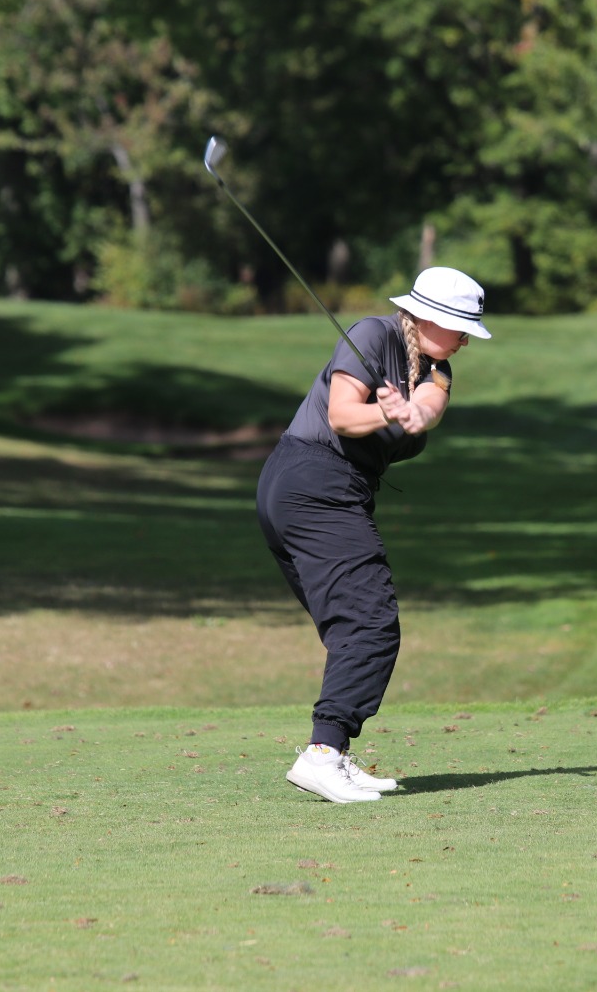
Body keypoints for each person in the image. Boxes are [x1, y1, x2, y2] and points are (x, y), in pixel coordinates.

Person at [256, 266, 492, 803]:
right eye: (461, 329)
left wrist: (411, 412)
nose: (464, 341)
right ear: (428, 317)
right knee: (370, 622)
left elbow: (428, 409)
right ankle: (321, 755)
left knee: (352, 626)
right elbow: (342, 416)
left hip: (316, 488)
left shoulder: (438, 369)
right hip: (312, 480)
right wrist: (379, 413)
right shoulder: (371, 334)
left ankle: (332, 753)